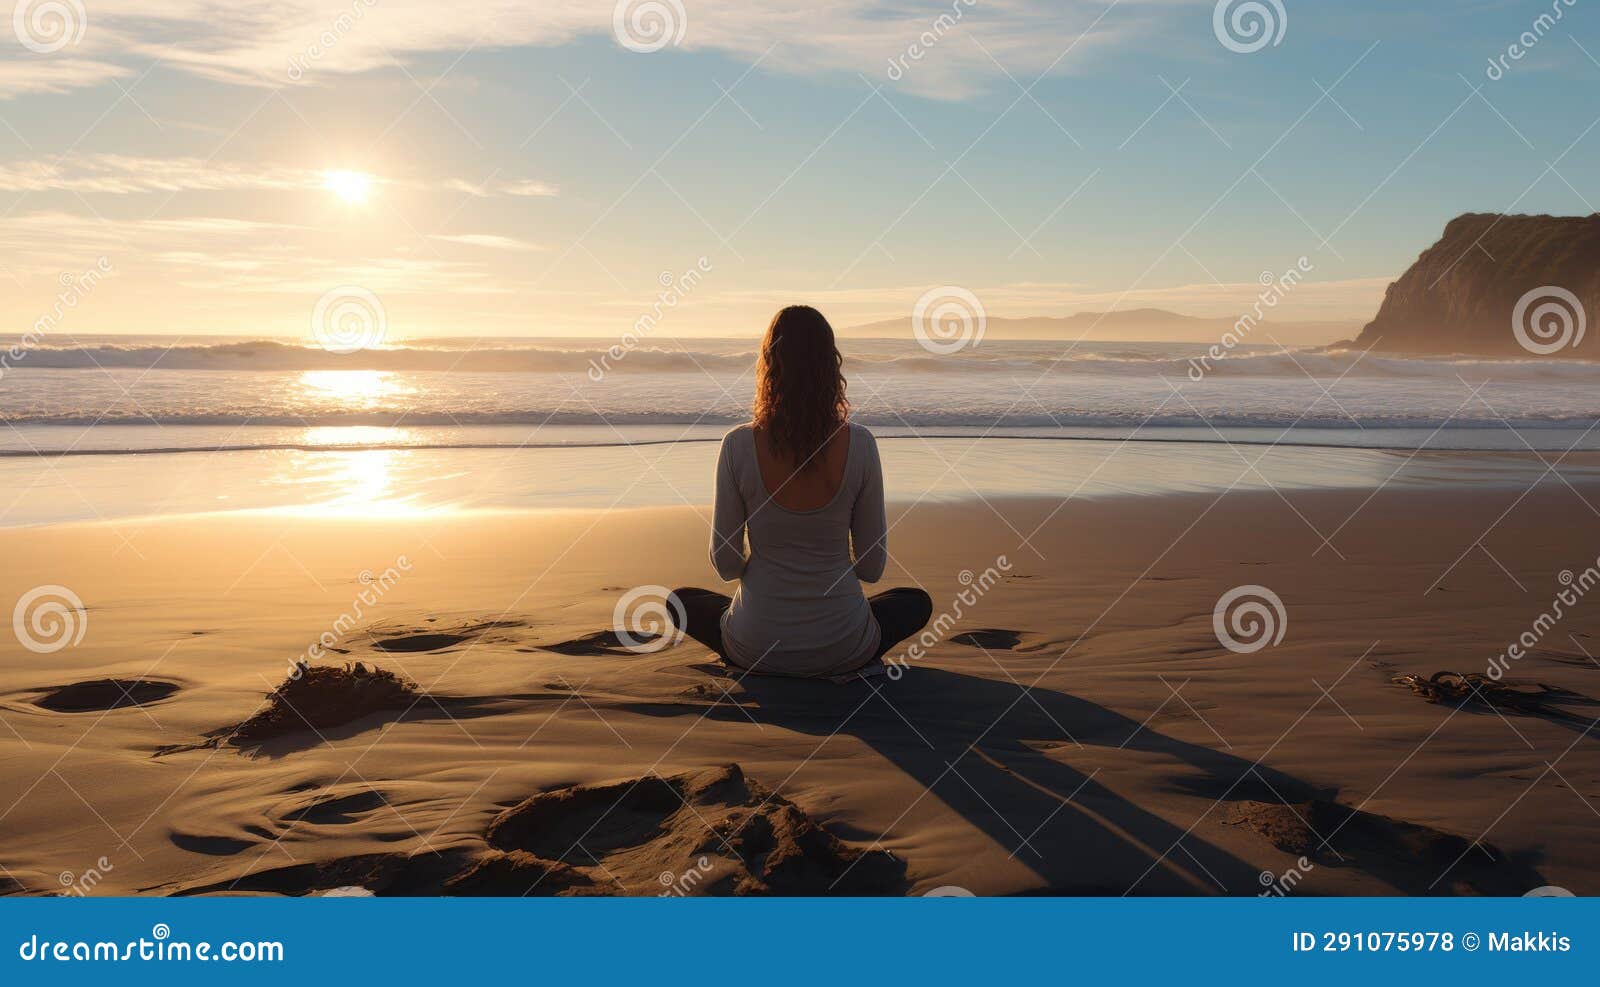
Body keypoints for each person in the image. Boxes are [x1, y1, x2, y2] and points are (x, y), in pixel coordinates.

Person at [669, 305, 932, 678]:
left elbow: (726, 564)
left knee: (680, 601)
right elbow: (872, 569)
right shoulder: (860, 444)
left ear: (768, 365)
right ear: (831, 366)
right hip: (844, 648)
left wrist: (768, 577)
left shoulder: (737, 445)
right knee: (914, 603)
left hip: (754, 647)